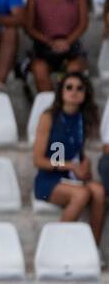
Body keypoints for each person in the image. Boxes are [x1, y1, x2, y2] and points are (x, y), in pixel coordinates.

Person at [33, 71, 104, 245]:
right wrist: (70, 166)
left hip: (70, 178)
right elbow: (38, 160)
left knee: (99, 191)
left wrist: (83, 167)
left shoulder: (82, 119)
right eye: (69, 87)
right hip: (49, 179)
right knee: (82, 194)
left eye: (80, 88)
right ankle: (55, 245)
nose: (74, 91)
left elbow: (76, 153)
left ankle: (92, 247)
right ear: (61, 91)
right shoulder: (49, 117)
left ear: (85, 94)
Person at [24, 0, 89, 93]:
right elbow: (29, 26)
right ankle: (50, 112)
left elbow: (83, 23)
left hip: (71, 47)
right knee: (40, 71)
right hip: (44, 47)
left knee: (73, 71)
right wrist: (49, 41)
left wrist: (67, 41)